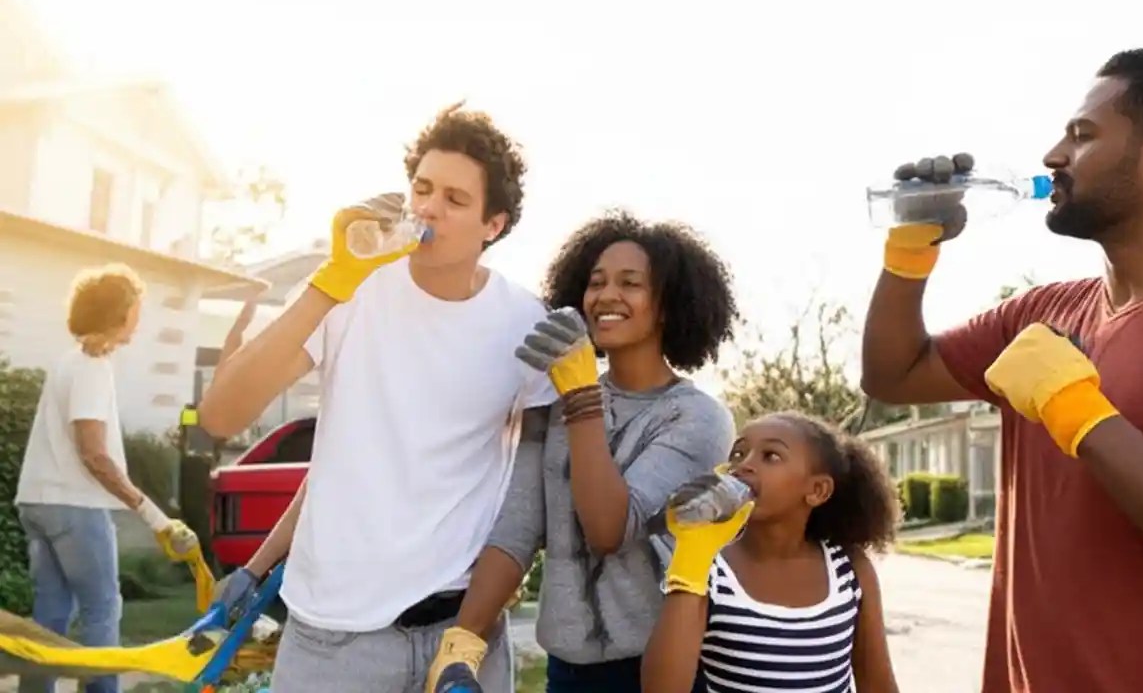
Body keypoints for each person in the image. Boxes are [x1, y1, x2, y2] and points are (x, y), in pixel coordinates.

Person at [860, 44, 1143, 691]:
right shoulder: (1039, 314)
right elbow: (894, 374)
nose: (1054, 155)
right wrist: (910, 250)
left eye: (1082, 135)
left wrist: (1080, 415)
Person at [198, 103, 557, 693]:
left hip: (462, 640)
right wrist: (330, 282)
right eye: (422, 188)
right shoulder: (353, 290)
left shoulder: (524, 323)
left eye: (455, 199)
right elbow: (222, 415)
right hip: (336, 641)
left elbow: (528, 493)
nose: (428, 209)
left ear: (493, 225)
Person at [424, 210, 739, 692]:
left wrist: (581, 398)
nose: (606, 296)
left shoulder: (696, 418)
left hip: (656, 670)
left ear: (669, 305)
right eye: (596, 282)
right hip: (567, 673)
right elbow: (520, 525)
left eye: (630, 283)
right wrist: (463, 642)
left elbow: (609, 528)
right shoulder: (554, 403)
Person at [14, 263, 199, 693]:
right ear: (119, 314)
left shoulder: (69, 361)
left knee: (52, 612)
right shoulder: (93, 368)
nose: (140, 316)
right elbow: (94, 453)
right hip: (75, 507)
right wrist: (152, 515)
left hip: (38, 502)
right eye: (136, 308)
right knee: (102, 610)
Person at [641, 411, 900, 693]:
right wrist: (691, 558)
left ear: (817, 490)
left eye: (771, 456)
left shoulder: (850, 570)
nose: (744, 466)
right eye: (738, 454)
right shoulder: (709, 571)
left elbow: (877, 684)